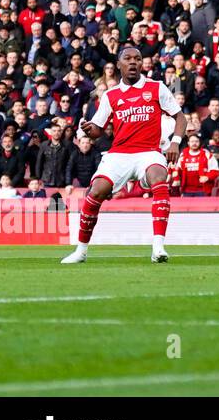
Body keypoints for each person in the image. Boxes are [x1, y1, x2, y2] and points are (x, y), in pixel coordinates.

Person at [60, 45, 186, 265]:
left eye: (137, 58)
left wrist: (175, 143)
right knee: (95, 192)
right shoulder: (111, 95)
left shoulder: (157, 88)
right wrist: (91, 130)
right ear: (118, 65)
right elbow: (99, 128)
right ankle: (81, 251)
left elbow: (180, 118)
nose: (133, 62)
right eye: (127, 58)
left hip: (149, 151)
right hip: (119, 153)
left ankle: (158, 247)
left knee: (159, 177)